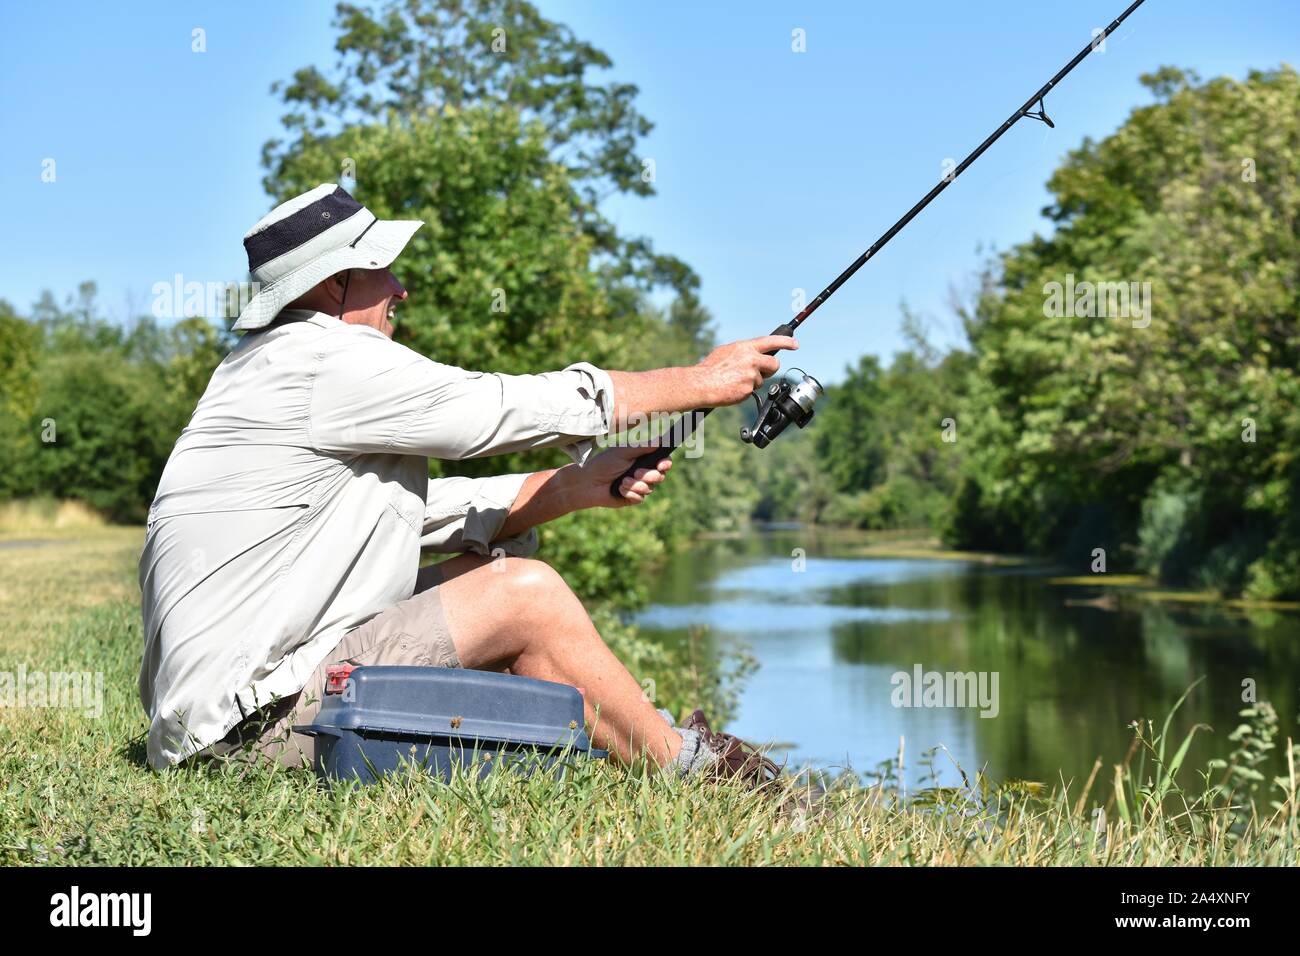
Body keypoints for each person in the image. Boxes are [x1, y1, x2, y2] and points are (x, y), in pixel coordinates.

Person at [138, 184, 794, 785]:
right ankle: (697, 774)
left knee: (486, 569)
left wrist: (574, 485)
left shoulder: (259, 370)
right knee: (524, 594)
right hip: (246, 734)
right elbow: (494, 408)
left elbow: (400, 519)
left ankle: (636, 744)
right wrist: (699, 381)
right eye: (382, 269)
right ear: (336, 283)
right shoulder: (323, 360)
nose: (400, 288)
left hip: (219, 724)